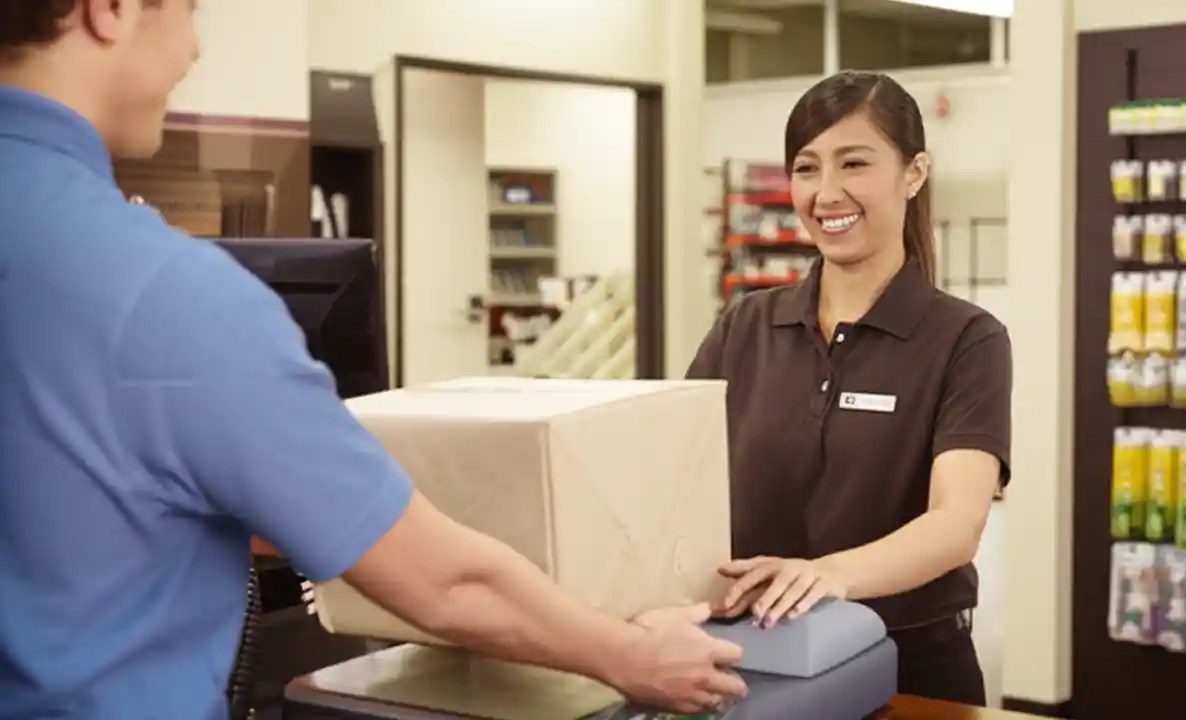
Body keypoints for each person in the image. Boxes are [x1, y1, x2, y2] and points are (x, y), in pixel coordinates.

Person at [0, 2, 746, 718]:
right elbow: (443, 582)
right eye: (191, 7)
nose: (195, 47)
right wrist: (631, 655)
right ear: (111, 7)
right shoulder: (168, 296)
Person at [687, 71, 1011, 706]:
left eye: (854, 163)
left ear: (914, 173)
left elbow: (956, 523)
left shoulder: (967, 339)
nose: (826, 193)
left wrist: (828, 575)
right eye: (807, 169)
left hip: (907, 668)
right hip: (751, 660)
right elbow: (672, 475)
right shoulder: (747, 324)